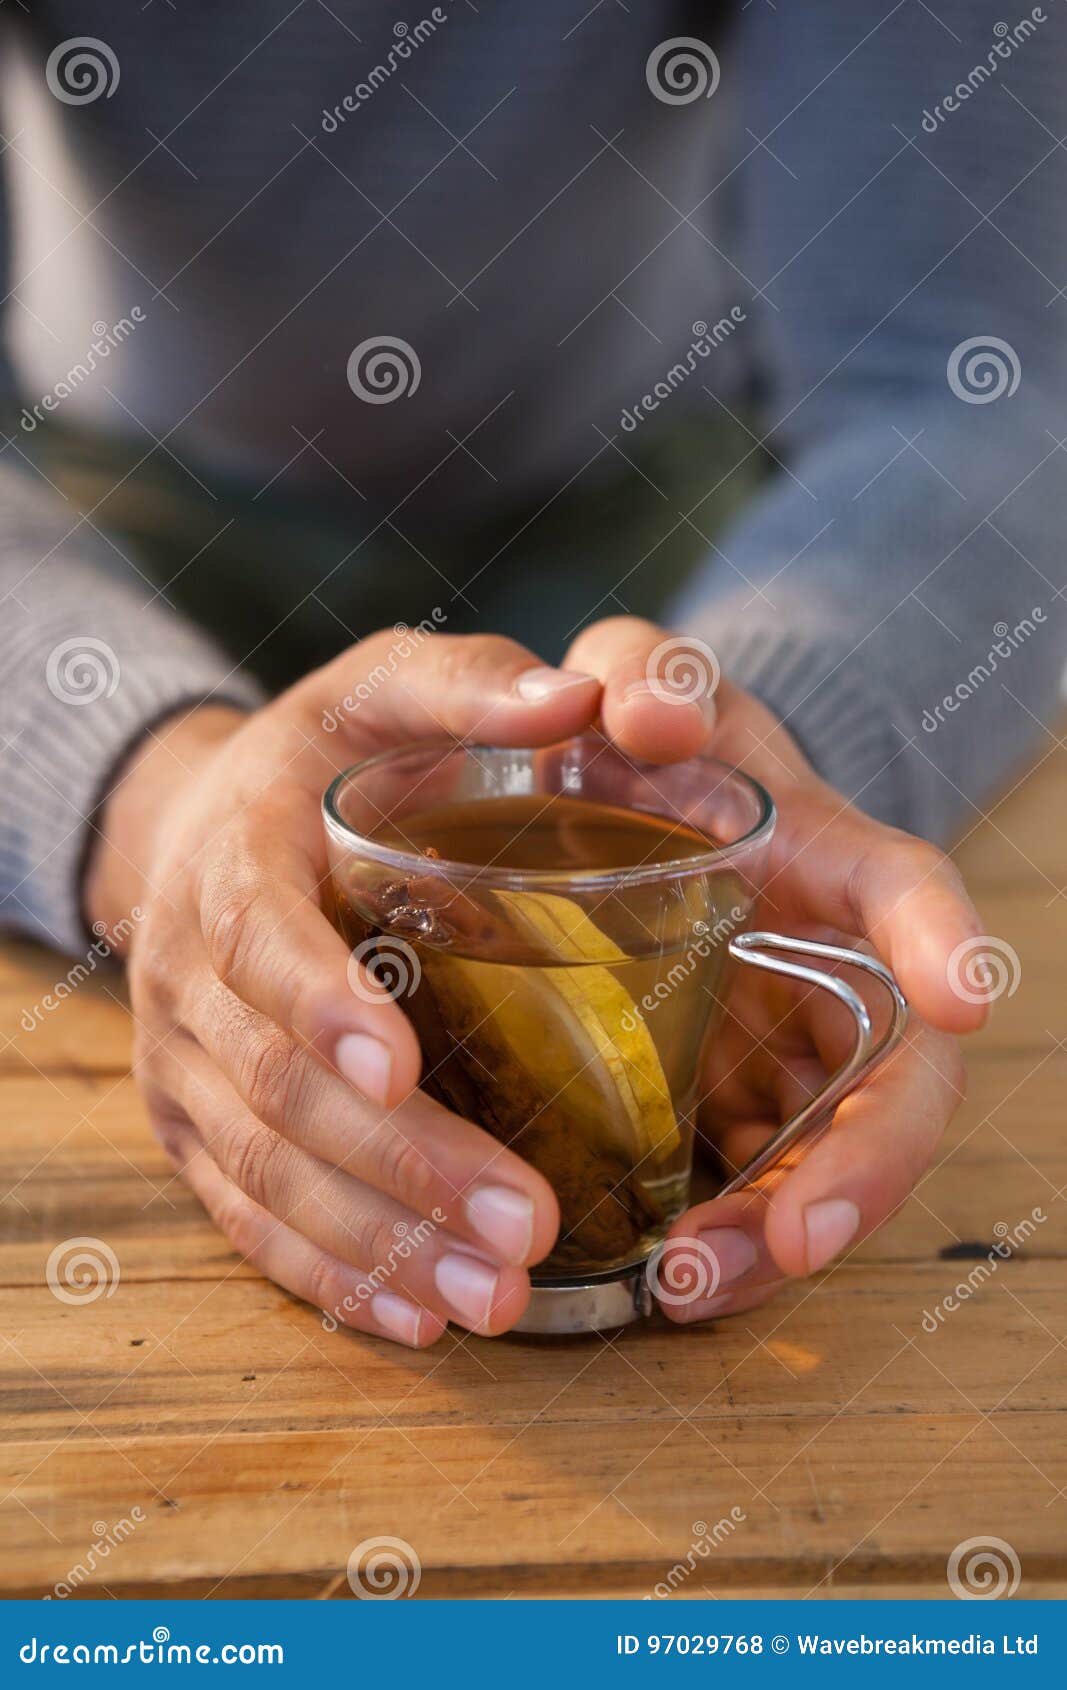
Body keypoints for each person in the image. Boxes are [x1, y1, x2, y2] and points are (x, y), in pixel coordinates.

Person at [2, 3, 1063, 1347]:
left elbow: (968, 376)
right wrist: (146, 794)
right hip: (102, 541)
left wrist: (746, 762)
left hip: (670, 538)